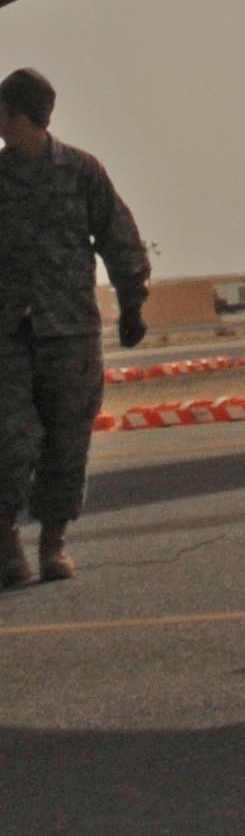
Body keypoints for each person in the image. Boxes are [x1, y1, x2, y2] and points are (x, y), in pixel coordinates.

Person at [0, 70, 147, 588]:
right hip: (8, 335)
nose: (2, 124)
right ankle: (5, 544)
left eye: (8, 114)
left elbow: (119, 237)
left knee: (67, 442)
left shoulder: (82, 172)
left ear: (30, 117)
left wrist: (132, 304)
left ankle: (52, 542)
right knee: (14, 439)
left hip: (70, 332)